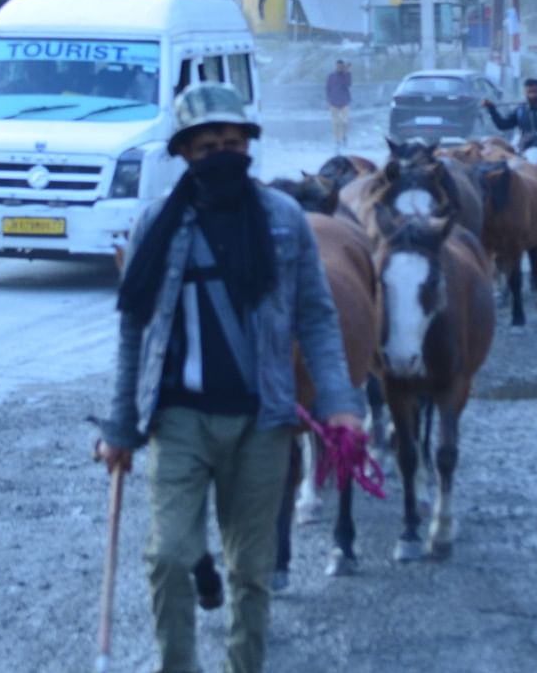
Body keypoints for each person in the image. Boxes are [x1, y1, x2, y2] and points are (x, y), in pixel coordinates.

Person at [96, 84, 363, 673]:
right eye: (209, 144)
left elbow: (316, 317)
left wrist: (340, 400)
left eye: (234, 142)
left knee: (252, 569)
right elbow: (133, 332)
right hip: (178, 418)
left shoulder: (285, 221)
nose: (224, 153)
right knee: (168, 556)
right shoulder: (155, 228)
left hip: (262, 420)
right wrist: (119, 425)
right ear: (186, 153)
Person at [324, 57, 353, 147]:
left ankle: (344, 136)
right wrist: (328, 100)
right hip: (333, 102)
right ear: (336, 66)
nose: (339, 68)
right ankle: (337, 140)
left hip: (345, 102)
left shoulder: (347, 75)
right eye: (338, 66)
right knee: (336, 123)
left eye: (341, 66)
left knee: (344, 121)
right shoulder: (331, 76)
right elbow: (327, 89)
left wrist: (346, 72)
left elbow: (348, 84)